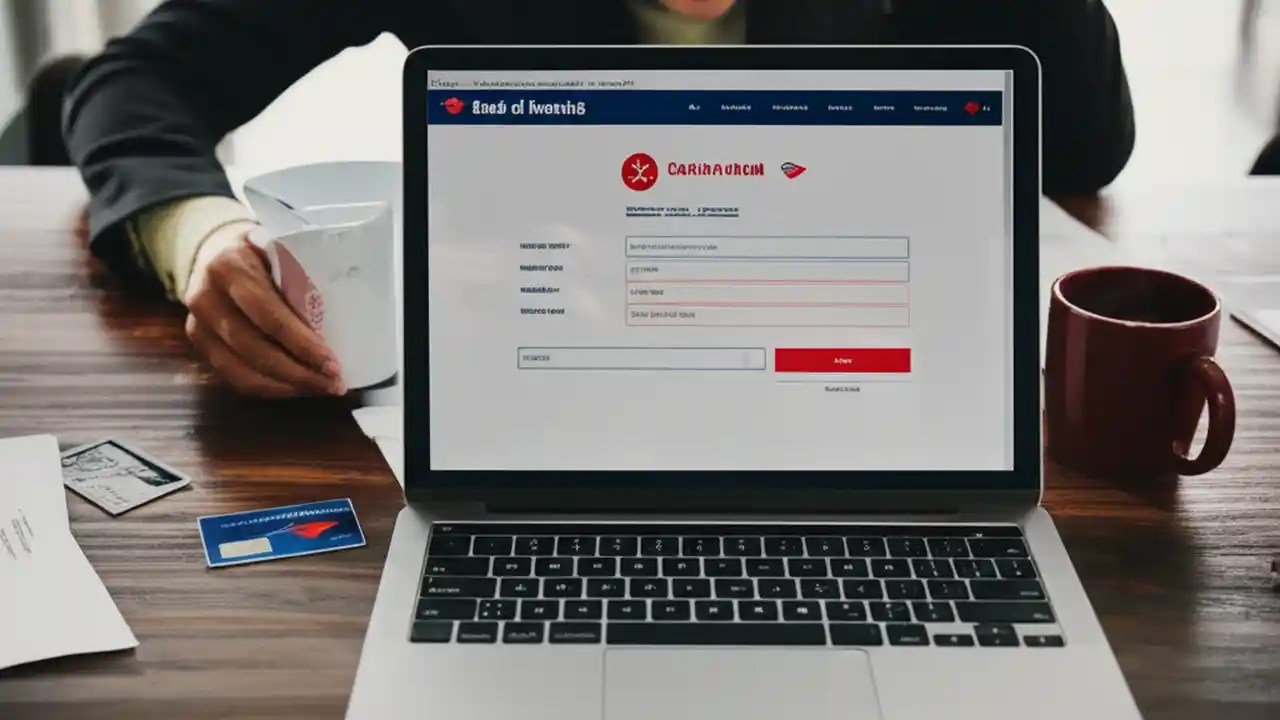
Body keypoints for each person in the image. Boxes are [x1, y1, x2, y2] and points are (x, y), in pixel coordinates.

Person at [63, 0, 1136, 398]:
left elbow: (1084, 145)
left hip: (827, 381)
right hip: (534, 377)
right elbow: (135, 80)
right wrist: (202, 236)